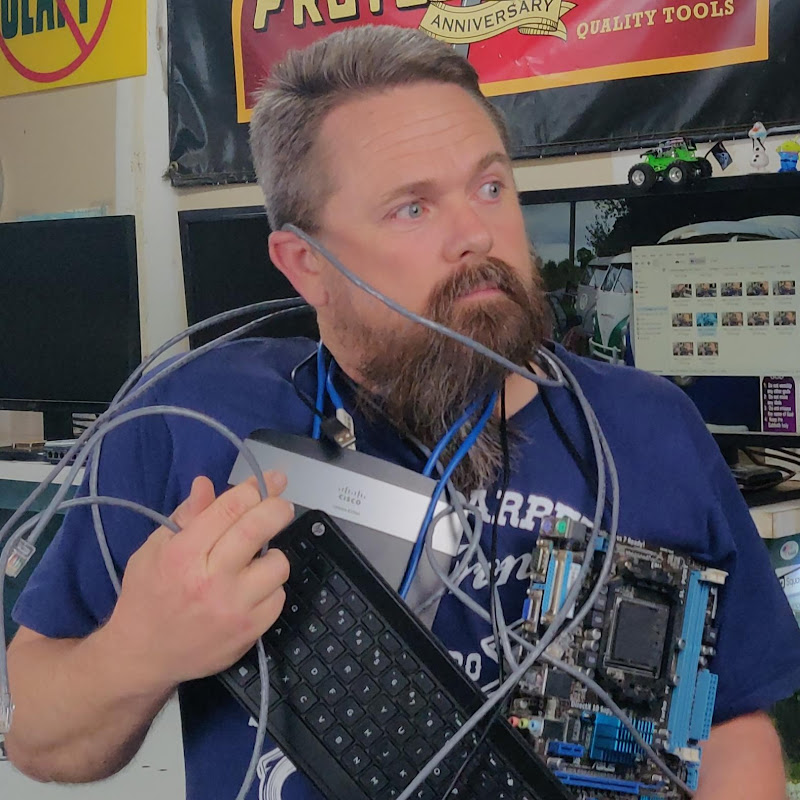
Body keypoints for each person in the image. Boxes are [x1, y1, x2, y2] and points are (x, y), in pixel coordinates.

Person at [5, 25, 799, 800]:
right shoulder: (193, 423)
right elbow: (37, 736)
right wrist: (140, 652)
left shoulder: (650, 429)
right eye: (411, 208)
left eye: (490, 187)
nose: (476, 234)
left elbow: (730, 727)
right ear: (307, 265)